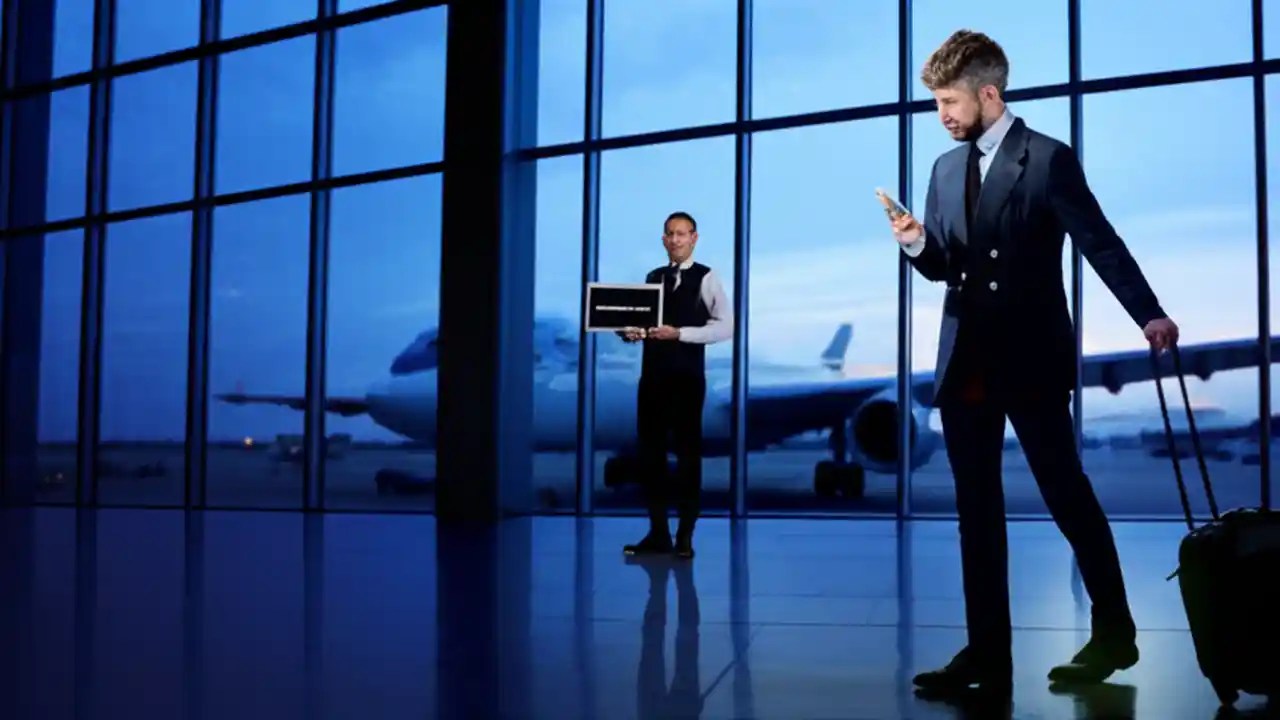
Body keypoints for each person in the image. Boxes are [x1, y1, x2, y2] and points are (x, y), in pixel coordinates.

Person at [889, 30, 1179, 694]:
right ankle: (987, 656)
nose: (942, 116)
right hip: (965, 363)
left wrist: (1149, 313)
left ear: (988, 93)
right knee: (976, 514)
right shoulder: (941, 169)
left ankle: (1115, 635)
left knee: (1066, 494)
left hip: (1030, 357)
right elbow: (944, 268)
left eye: (948, 102)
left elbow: (1100, 242)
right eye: (936, 104)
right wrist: (913, 243)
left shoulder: (1046, 159)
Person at [619, 211, 733, 560]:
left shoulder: (707, 277)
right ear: (664, 238)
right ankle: (658, 534)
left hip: (686, 379)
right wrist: (630, 333)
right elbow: (644, 322)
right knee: (650, 456)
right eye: (669, 234)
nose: (675, 240)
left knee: (687, 457)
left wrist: (680, 333)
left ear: (694, 238)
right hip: (652, 379)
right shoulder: (653, 277)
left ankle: (685, 536)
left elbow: (725, 327)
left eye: (682, 234)